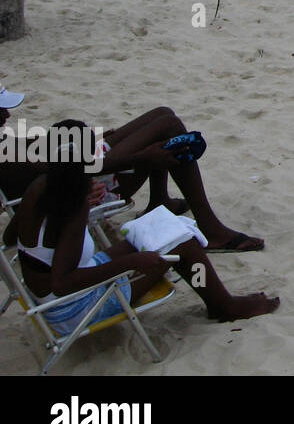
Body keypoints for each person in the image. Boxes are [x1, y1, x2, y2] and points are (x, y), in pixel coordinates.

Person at [4, 123, 278, 332]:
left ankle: (215, 297)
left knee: (162, 225)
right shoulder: (74, 209)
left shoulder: (37, 189)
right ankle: (223, 305)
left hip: (47, 297)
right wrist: (133, 262)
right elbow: (63, 283)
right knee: (183, 245)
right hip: (72, 309)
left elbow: (9, 237)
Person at [0, 104, 265, 254]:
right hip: (85, 184)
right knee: (167, 129)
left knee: (162, 114)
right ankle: (210, 227)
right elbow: (65, 171)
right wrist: (142, 157)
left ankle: (160, 201)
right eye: (2, 107)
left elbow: (38, 146)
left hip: (83, 164)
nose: (8, 114)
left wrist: (95, 139)